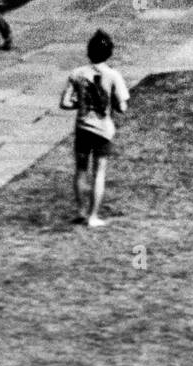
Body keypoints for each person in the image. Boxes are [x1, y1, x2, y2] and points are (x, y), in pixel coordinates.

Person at [60, 29, 130, 228]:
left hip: (82, 128)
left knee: (80, 170)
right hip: (103, 130)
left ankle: (81, 211)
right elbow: (122, 107)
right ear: (109, 53)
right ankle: (93, 216)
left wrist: (82, 104)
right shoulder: (113, 75)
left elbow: (65, 103)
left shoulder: (77, 74)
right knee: (99, 173)